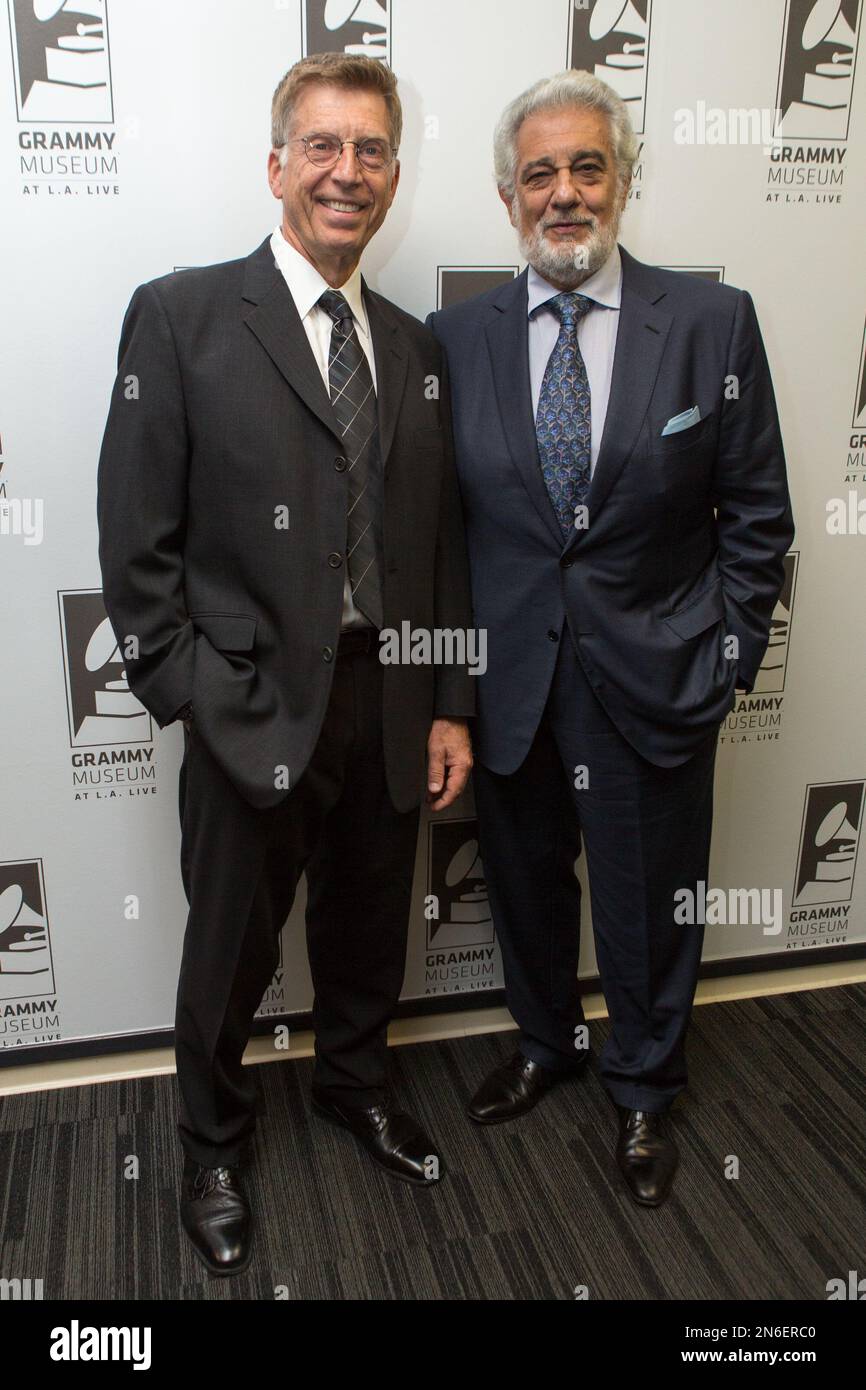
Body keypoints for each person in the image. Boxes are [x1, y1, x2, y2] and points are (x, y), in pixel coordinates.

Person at [97, 53, 474, 1275]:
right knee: (230, 948)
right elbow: (136, 543)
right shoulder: (183, 314)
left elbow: (439, 545)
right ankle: (210, 1142)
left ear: (394, 179)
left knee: (370, 924)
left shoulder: (415, 349)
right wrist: (195, 695)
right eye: (321, 146)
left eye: (368, 151)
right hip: (245, 704)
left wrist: (445, 698)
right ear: (276, 165)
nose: (345, 172)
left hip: (389, 694)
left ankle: (351, 1083)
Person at [427, 70, 794, 1207]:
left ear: (623, 181)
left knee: (647, 896)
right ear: (505, 197)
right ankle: (547, 1044)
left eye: (588, 166)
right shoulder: (454, 338)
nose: (564, 192)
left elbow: (758, 515)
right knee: (528, 886)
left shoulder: (708, 322)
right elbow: (440, 530)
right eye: (539, 172)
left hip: (654, 677)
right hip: (512, 681)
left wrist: (723, 655)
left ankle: (642, 1086)